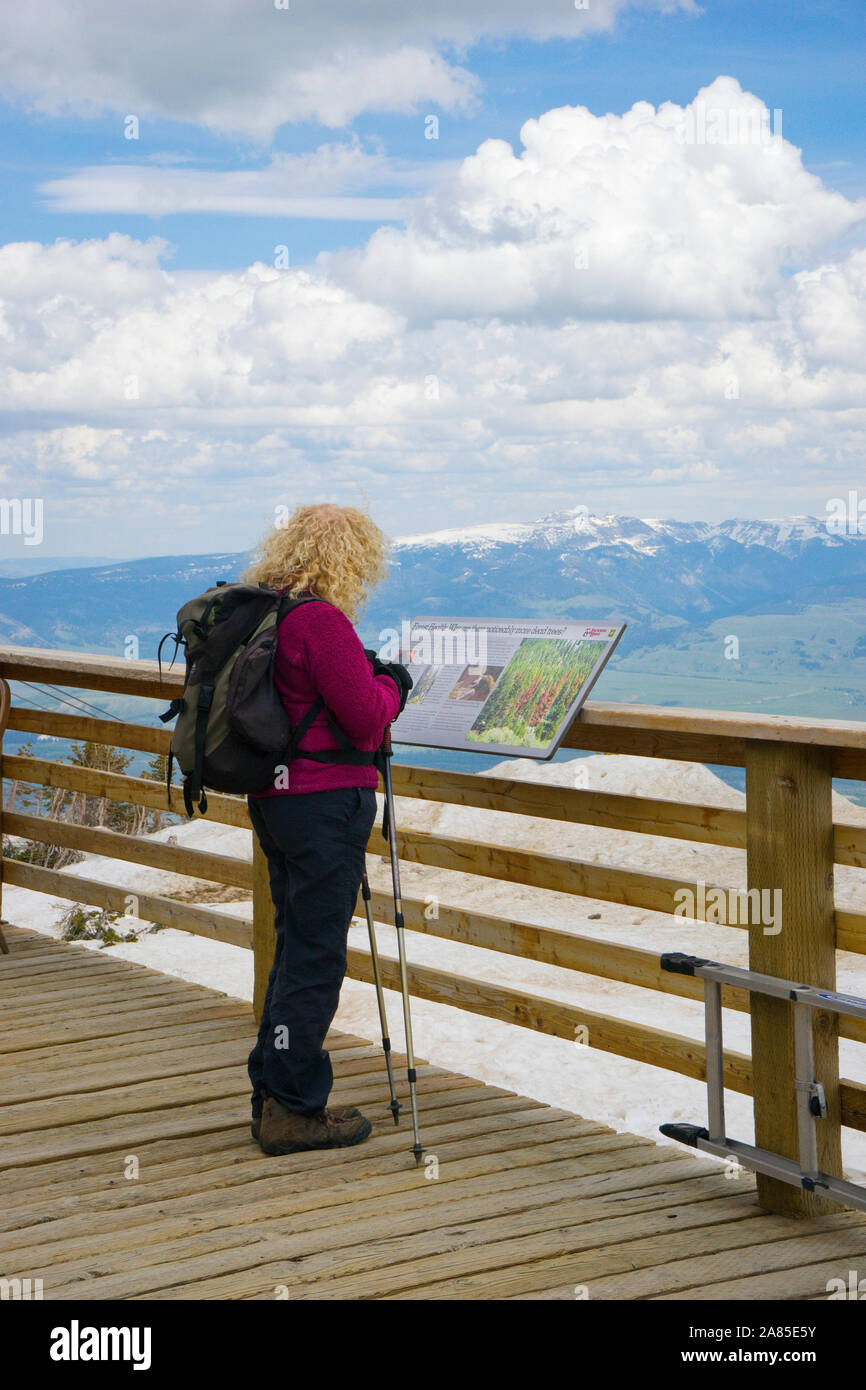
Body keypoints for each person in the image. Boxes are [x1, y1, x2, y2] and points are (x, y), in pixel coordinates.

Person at [242, 503, 412, 1155]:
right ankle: (293, 1108)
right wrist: (394, 683)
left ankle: (272, 1091)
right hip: (324, 803)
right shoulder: (320, 620)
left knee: (295, 943)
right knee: (316, 954)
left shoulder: (269, 611)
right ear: (352, 559)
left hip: (276, 798)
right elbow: (366, 718)